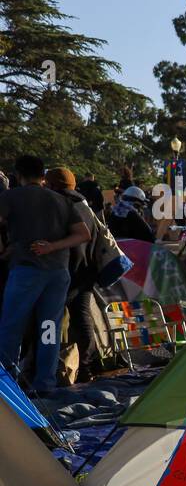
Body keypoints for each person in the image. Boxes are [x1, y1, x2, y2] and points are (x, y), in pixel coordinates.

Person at [0, 155, 91, 393]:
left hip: (27, 271)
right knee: (49, 327)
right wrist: (53, 246)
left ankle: (6, 384)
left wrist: (8, 248)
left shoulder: (11, 196)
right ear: (43, 175)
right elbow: (83, 234)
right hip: (58, 272)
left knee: (12, 327)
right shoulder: (62, 201)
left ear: (19, 175)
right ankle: (45, 383)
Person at [45, 167, 103, 380]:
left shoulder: (61, 205)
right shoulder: (85, 204)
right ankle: (87, 366)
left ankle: (49, 367)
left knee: (49, 319)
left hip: (65, 269)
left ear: (53, 185)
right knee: (82, 318)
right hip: (87, 270)